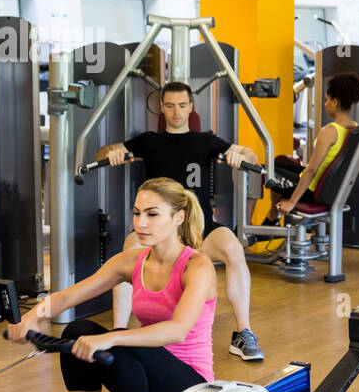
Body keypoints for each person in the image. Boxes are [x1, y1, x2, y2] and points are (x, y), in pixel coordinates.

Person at [6, 177, 217, 392]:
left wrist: (110, 336)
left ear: (178, 218)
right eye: (137, 213)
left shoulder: (197, 266)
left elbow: (177, 330)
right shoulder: (132, 261)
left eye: (152, 214)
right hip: (147, 377)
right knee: (76, 331)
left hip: (191, 388)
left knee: (118, 342)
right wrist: (32, 318)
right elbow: (70, 295)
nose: (140, 222)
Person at [96, 81, 263, 362]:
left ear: (191, 107)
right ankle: (120, 333)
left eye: (182, 105)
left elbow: (252, 156)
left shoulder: (206, 140)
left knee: (234, 250)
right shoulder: (148, 141)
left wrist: (241, 153)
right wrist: (110, 153)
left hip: (199, 227)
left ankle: (243, 333)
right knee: (129, 254)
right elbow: (101, 154)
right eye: (170, 105)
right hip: (159, 229)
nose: (176, 112)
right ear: (162, 108)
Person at [263, 73, 359, 222]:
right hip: (327, 187)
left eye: (327, 100)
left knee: (257, 171)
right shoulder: (355, 128)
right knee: (276, 164)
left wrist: (292, 202)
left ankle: (248, 230)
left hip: (312, 190)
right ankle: (273, 217)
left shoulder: (329, 131)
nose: (325, 104)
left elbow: (311, 170)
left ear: (335, 102)